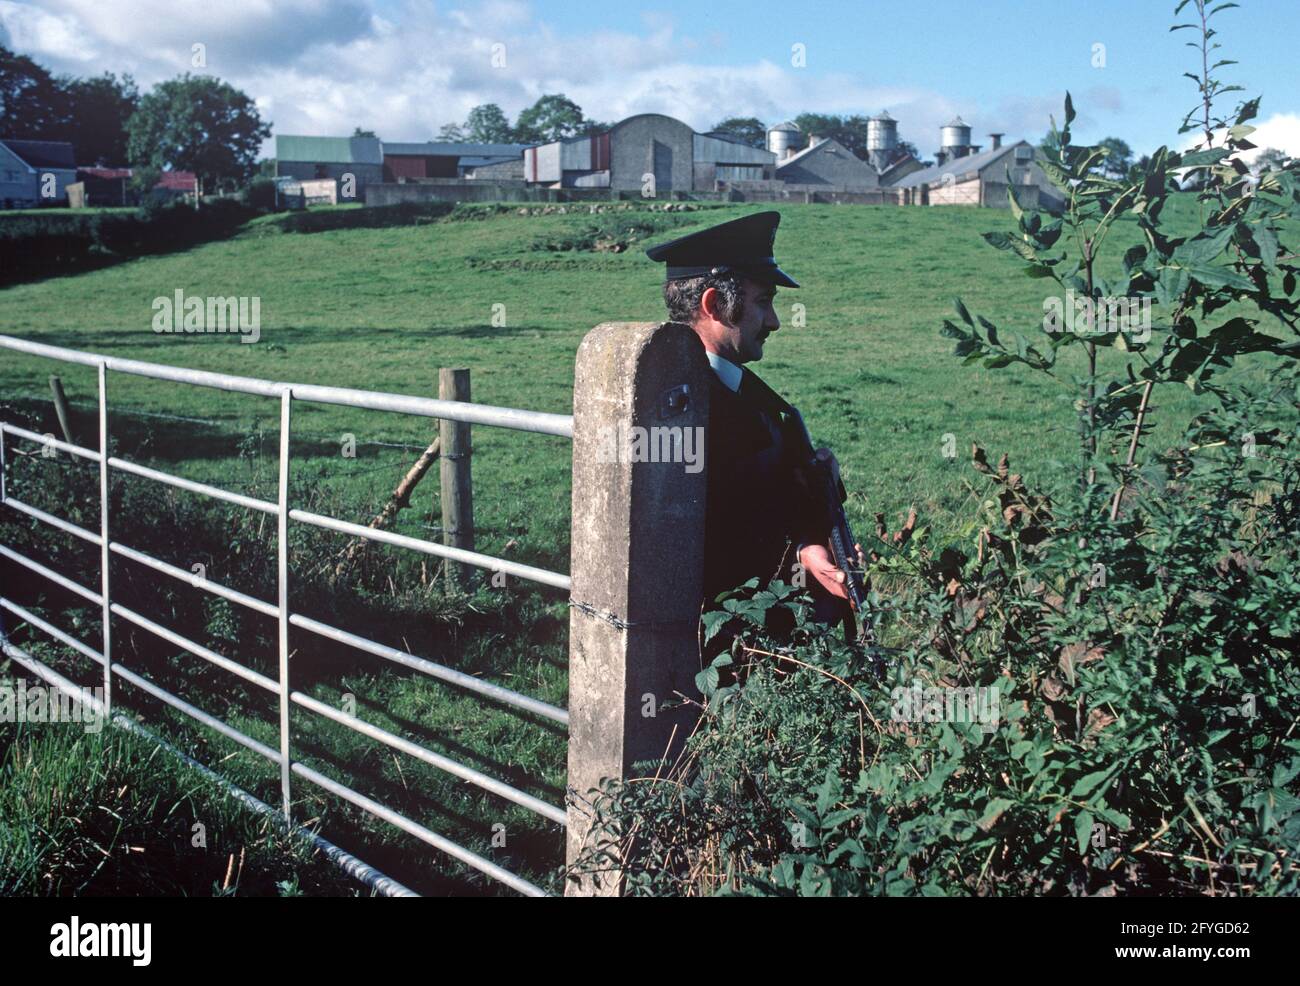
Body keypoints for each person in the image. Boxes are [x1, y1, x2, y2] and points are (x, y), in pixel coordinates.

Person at [644, 210, 864, 659]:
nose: (776, 321)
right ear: (712, 305)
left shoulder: (746, 393)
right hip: (729, 653)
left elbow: (762, 502)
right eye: (763, 302)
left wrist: (811, 528)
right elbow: (718, 534)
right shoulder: (675, 412)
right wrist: (800, 545)